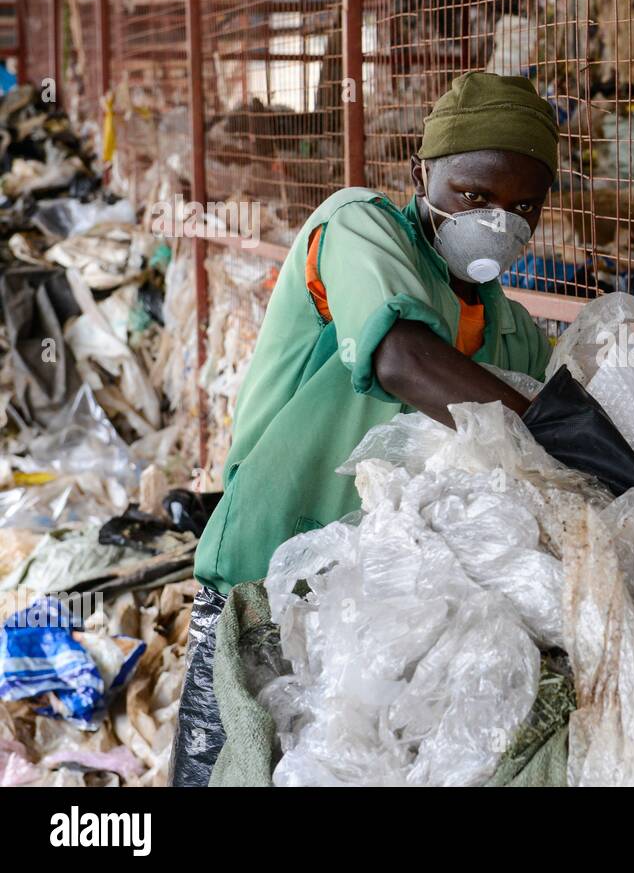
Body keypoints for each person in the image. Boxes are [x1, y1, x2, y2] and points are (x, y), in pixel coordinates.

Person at [172, 72, 558, 786]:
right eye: (476, 196)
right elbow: (401, 358)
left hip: (376, 632)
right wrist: (563, 441)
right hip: (264, 585)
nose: (499, 222)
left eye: (523, 206)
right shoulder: (359, 227)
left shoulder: (515, 335)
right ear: (422, 174)